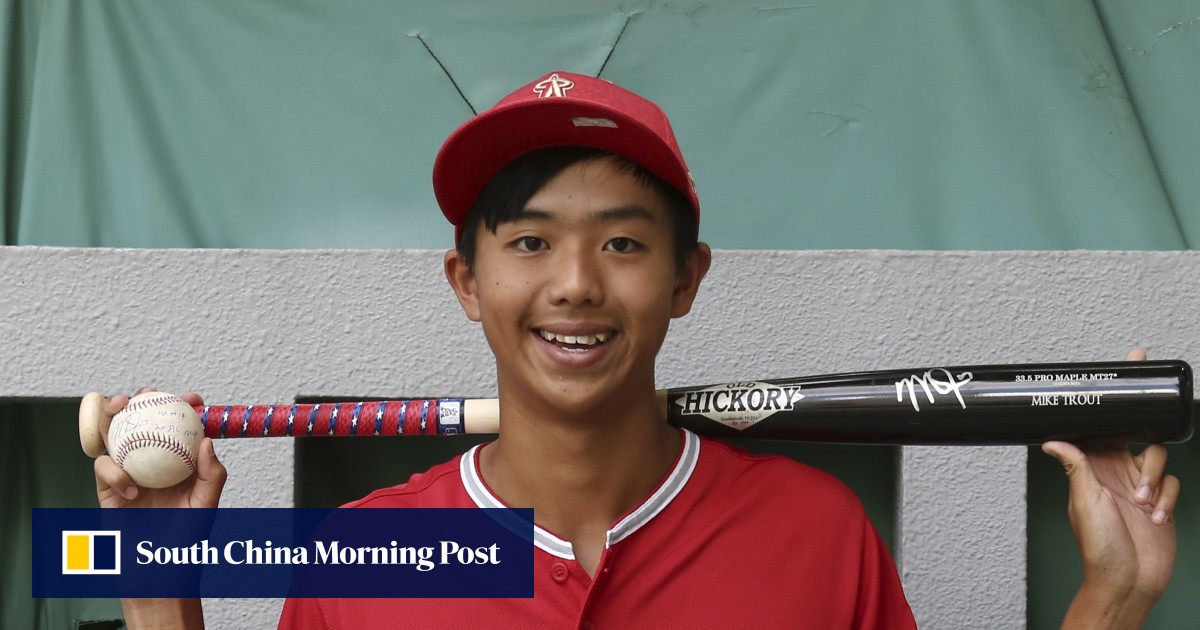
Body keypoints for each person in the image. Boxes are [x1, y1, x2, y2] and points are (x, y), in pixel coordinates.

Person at [91, 71, 1180, 629]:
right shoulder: (364, 552)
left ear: (686, 281)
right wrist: (151, 570)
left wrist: (1115, 598)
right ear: (467, 284)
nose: (574, 283)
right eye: (529, 242)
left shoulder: (813, 532)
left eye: (621, 241)